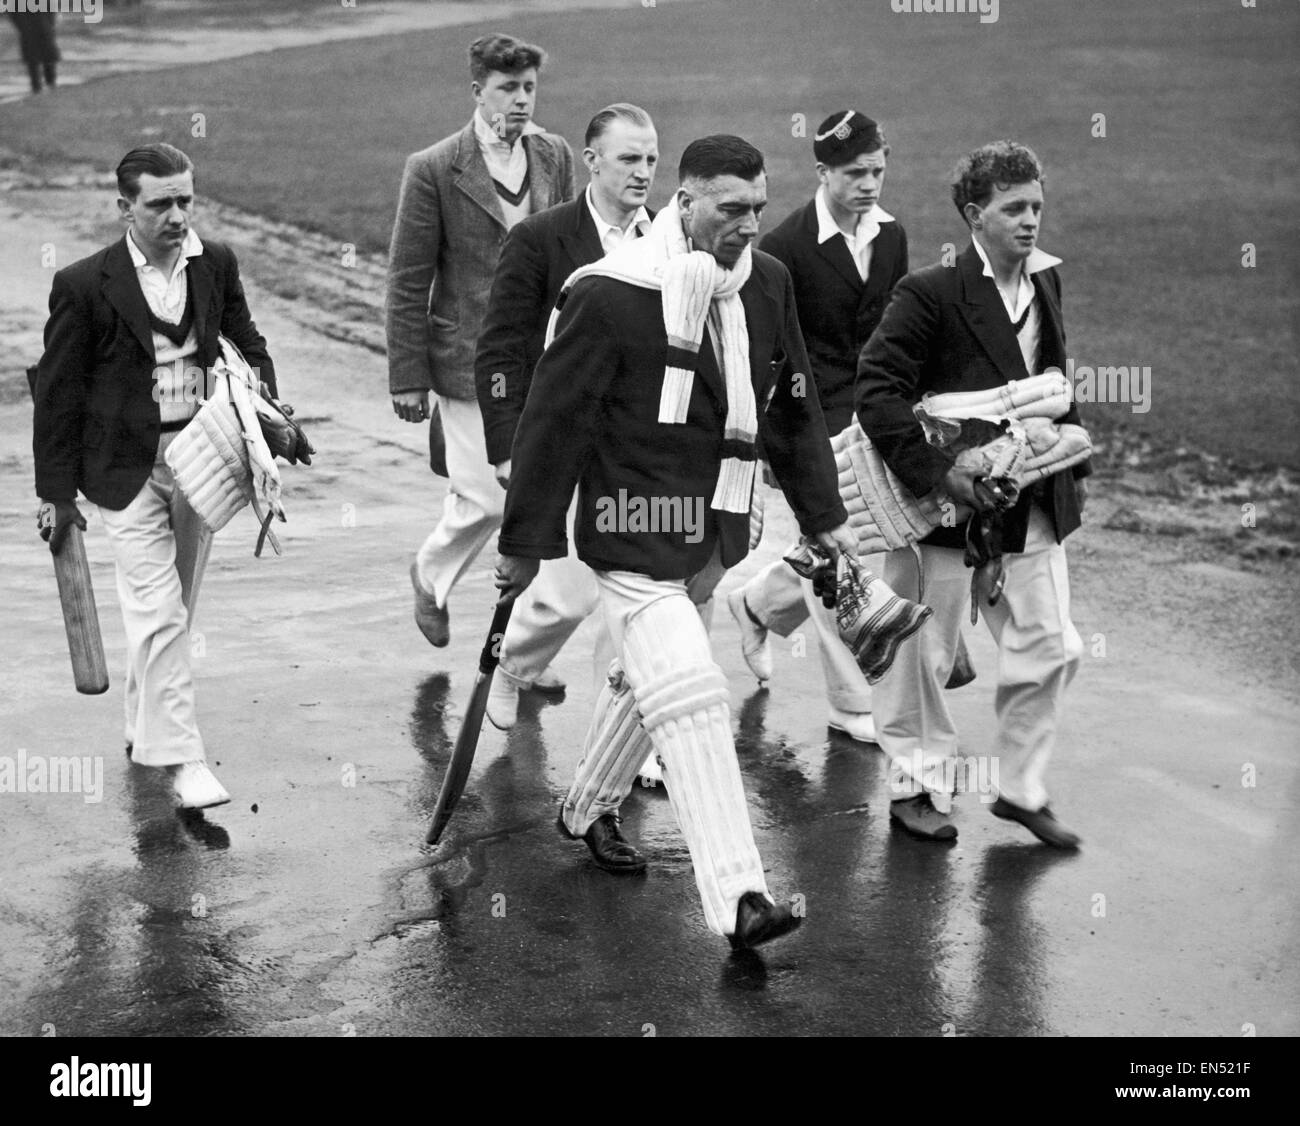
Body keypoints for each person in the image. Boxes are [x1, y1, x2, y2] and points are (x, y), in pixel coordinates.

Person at [496, 135, 855, 950]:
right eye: (731, 209)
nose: (750, 225)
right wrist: (525, 543)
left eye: (760, 208)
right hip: (629, 530)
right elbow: (553, 426)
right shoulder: (609, 293)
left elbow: (793, 408)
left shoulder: (768, 283)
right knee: (692, 690)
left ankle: (585, 806)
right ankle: (740, 899)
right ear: (683, 203)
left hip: (717, 529)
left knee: (646, 683)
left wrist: (825, 520)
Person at [855, 140, 1089, 846]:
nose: (1029, 222)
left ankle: (1018, 788)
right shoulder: (929, 291)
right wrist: (939, 473)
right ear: (973, 214)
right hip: (941, 508)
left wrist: (1068, 459)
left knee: (1053, 646)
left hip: (1031, 503)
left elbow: (1052, 378)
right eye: (1013, 209)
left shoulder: (1045, 282)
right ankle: (915, 786)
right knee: (920, 656)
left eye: (1037, 207)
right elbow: (877, 391)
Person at [32, 142, 277, 810]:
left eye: (186, 200)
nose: (177, 215)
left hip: (202, 462)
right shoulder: (84, 285)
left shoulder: (215, 264)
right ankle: (182, 759)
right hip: (123, 471)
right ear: (125, 207)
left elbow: (246, 345)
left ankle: (146, 732)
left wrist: (267, 421)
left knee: (174, 609)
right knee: (160, 612)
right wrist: (56, 495)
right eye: (161, 202)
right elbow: (57, 395)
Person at [386, 32, 575, 666]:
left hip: (544, 356)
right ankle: (431, 575)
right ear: (477, 91)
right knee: (499, 495)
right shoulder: (435, 167)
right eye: (507, 89)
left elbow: (574, 249)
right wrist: (406, 376)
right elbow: (409, 277)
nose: (520, 101)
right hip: (466, 362)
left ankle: (525, 655)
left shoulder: (554, 154)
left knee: (539, 491)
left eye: (528, 88)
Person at [727, 111, 908, 744]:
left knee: (860, 541)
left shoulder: (892, 238)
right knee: (845, 556)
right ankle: (850, 703)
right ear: (822, 171)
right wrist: (775, 445)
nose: (869, 184)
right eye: (855, 173)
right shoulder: (782, 248)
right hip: (809, 423)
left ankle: (757, 604)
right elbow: (769, 353)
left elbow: (890, 336)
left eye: (878, 171)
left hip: (872, 417)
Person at [475, 103, 657, 730]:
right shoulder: (539, 238)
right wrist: (506, 443)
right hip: (561, 439)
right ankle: (512, 665)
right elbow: (500, 348)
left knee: (634, 601)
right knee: (568, 594)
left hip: (635, 448)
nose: (642, 173)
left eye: (652, 160)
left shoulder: (666, 242)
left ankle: (624, 737)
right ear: (592, 160)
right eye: (629, 158)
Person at [7, 8, 59, 94]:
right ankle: (40, 85)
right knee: (36, 56)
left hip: (39, 25)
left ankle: (47, 83)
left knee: (44, 54)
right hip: (32, 26)